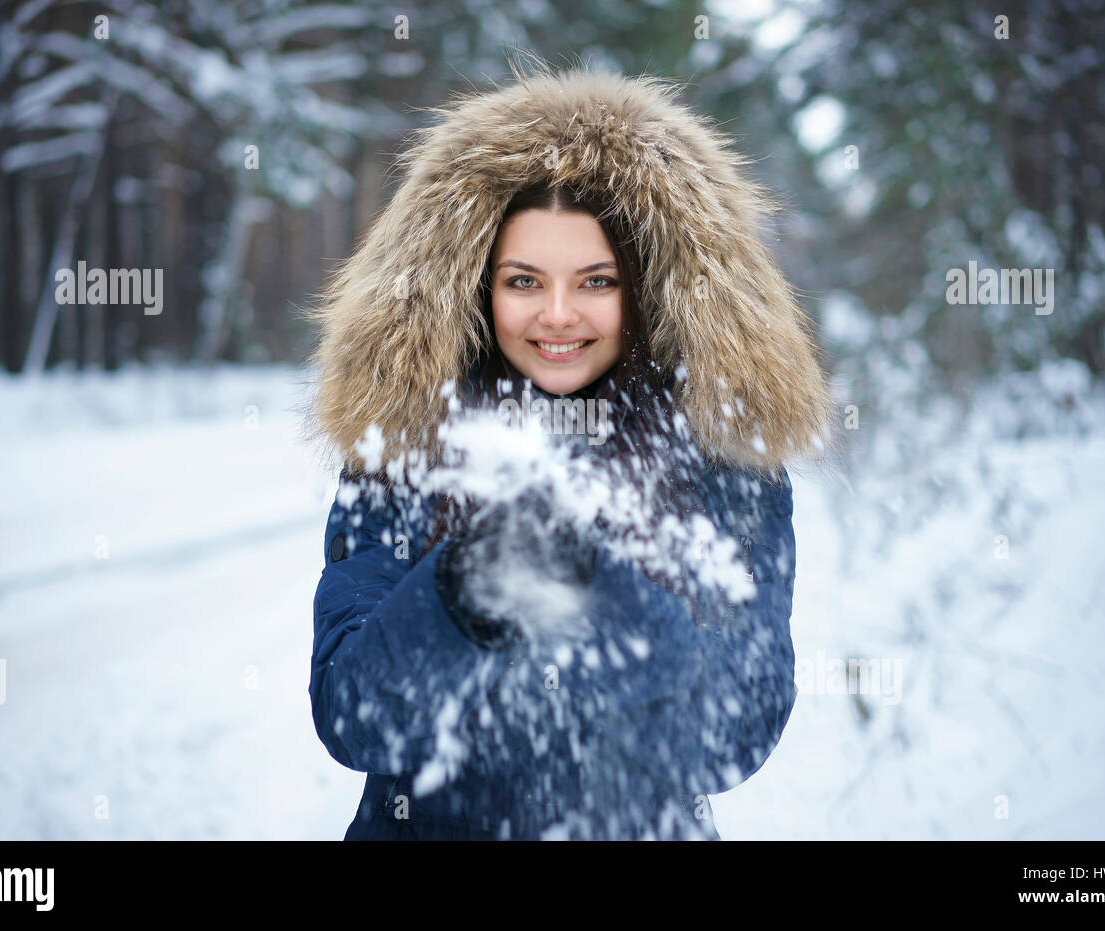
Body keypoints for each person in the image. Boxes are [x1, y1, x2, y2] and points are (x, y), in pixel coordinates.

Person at [303, 64, 832, 840]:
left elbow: (733, 731)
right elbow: (352, 716)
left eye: (594, 281)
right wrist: (462, 591)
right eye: (524, 280)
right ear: (478, 287)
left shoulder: (721, 458)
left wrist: (600, 584)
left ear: (645, 290)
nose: (556, 315)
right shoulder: (407, 443)